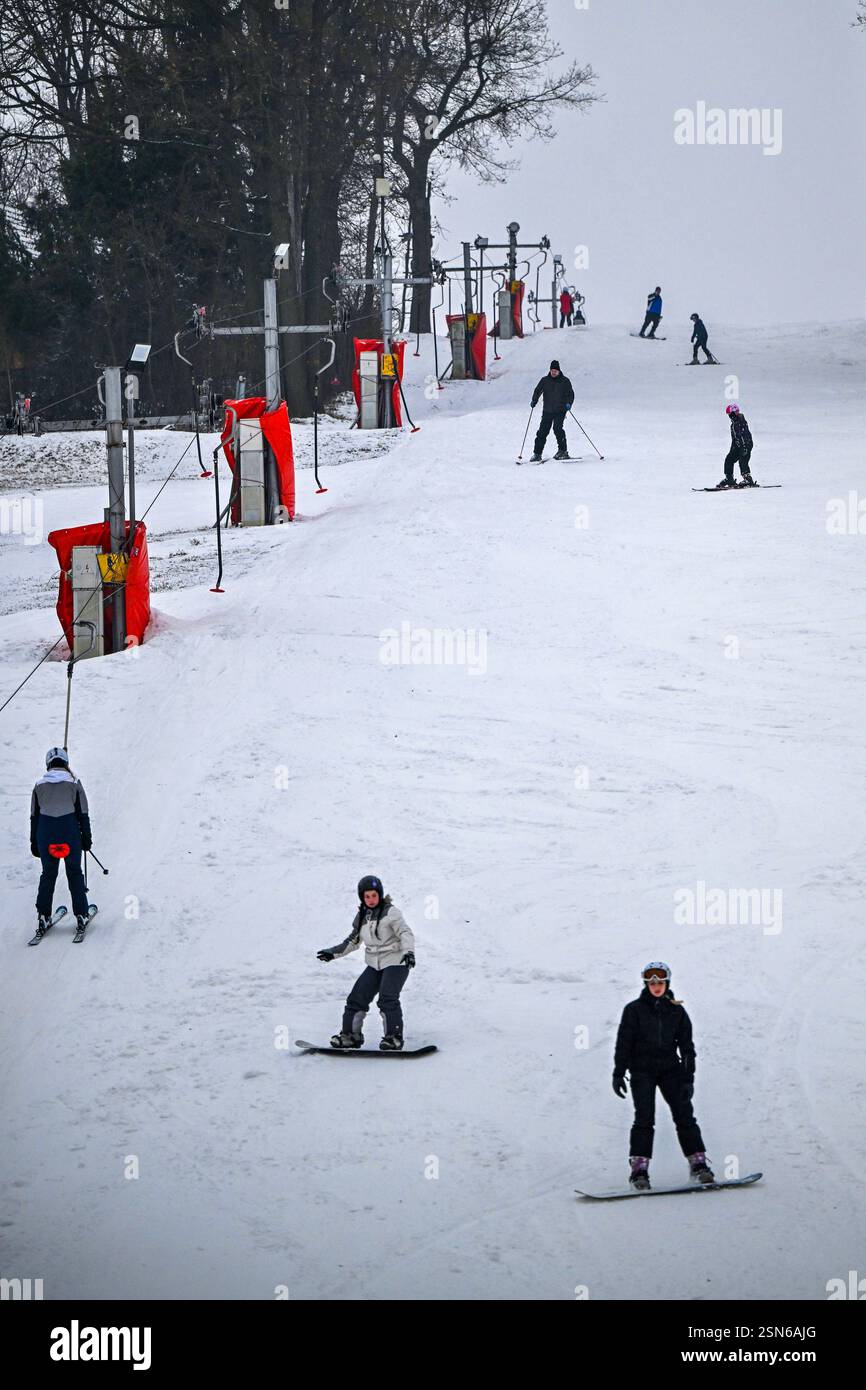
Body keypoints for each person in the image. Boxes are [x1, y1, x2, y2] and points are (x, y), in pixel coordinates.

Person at [612, 961, 714, 1190]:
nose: (656, 986)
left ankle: (698, 1165)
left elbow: (687, 1048)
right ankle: (639, 1171)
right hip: (642, 1071)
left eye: (660, 982)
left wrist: (688, 1078)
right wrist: (619, 1073)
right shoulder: (633, 1010)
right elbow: (623, 1044)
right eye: (652, 982)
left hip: (671, 1071)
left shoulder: (677, 1011)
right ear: (646, 984)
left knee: (684, 1115)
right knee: (644, 1118)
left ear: (667, 983)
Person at [317, 875, 416, 1050]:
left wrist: (409, 953)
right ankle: (350, 1035)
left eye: (374, 895)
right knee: (357, 997)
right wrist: (332, 954)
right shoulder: (362, 916)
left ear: (380, 895)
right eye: (367, 896)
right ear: (362, 897)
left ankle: (393, 1038)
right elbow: (352, 941)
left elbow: (405, 933)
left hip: (396, 961)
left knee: (387, 998)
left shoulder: (391, 912)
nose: (371, 900)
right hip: (374, 963)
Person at [30, 747, 92, 938]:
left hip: (46, 837)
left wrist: (34, 841)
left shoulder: (38, 785)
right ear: (66, 763)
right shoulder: (74, 783)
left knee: (48, 874)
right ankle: (81, 914)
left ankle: (43, 915)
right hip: (70, 836)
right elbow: (83, 813)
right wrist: (86, 837)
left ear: (48, 763)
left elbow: (34, 816)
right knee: (74, 873)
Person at [529, 359, 574, 461]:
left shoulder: (565, 381)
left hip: (560, 410)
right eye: (552, 370)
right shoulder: (545, 380)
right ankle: (537, 454)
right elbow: (537, 391)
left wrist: (568, 403)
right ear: (550, 370)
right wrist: (534, 400)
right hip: (547, 410)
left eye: (555, 371)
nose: (553, 372)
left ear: (559, 371)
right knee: (542, 432)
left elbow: (570, 394)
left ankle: (562, 451)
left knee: (558, 429)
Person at [718, 403, 756, 487]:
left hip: (746, 445)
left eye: (730, 414)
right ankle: (729, 479)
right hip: (738, 447)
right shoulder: (734, 423)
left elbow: (744, 436)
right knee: (729, 459)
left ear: (735, 413)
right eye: (728, 415)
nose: (729, 417)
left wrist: (745, 447)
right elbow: (735, 438)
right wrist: (733, 449)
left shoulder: (740, 422)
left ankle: (748, 479)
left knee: (743, 461)